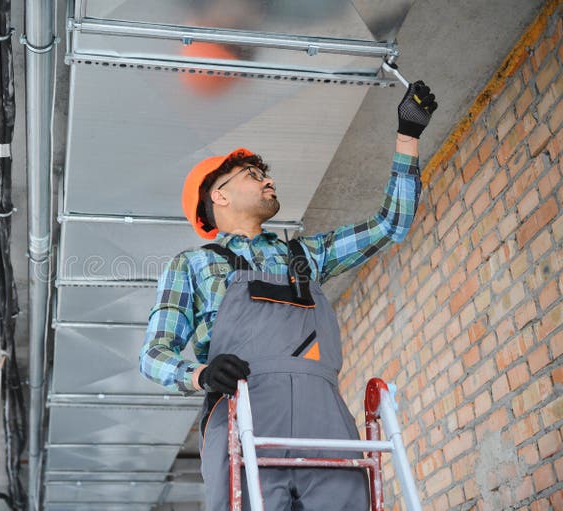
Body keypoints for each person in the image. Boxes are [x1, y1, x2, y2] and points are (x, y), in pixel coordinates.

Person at [140, 81, 437, 510]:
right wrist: (199, 375)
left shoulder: (305, 256)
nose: (269, 180)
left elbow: (390, 225)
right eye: (254, 175)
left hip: (325, 420)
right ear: (218, 194)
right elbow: (152, 353)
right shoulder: (193, 265)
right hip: (243, 413)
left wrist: (408, 136)